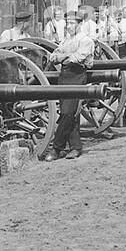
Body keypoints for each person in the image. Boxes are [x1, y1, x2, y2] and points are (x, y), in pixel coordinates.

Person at [41, 11, 95, 161]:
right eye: (67, 23)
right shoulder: (65, 40)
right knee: (70, 114)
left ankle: (56, 148)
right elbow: (53, 56)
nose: (69, 26)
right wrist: (64, 57)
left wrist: (63, 57)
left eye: (72, 23)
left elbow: (77, 58)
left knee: (67, 113)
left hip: (77, 77)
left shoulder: (86, 40)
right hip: (64, 77)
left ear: (79, 24)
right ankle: (75, 147)